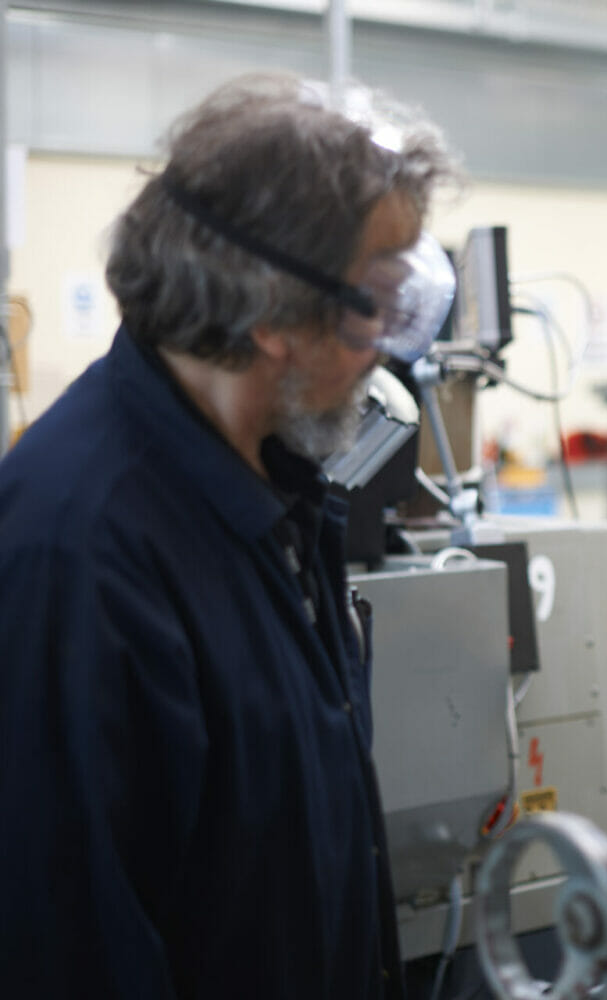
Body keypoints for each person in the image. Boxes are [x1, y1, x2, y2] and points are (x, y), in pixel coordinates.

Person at [0, 75, 458, 997]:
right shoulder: (79, 549)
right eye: (373, 301)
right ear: (270, 312)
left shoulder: (277, 486)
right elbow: (73, 945)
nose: (388, 347)